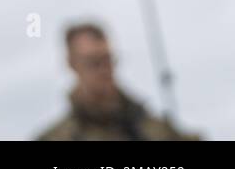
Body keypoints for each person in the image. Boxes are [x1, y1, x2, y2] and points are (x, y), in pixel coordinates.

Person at [35, 22, 201, 141]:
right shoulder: (55, 137)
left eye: (108, 60)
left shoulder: (156, 130)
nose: (104, 70)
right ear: (71, 64)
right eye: (93, 62)